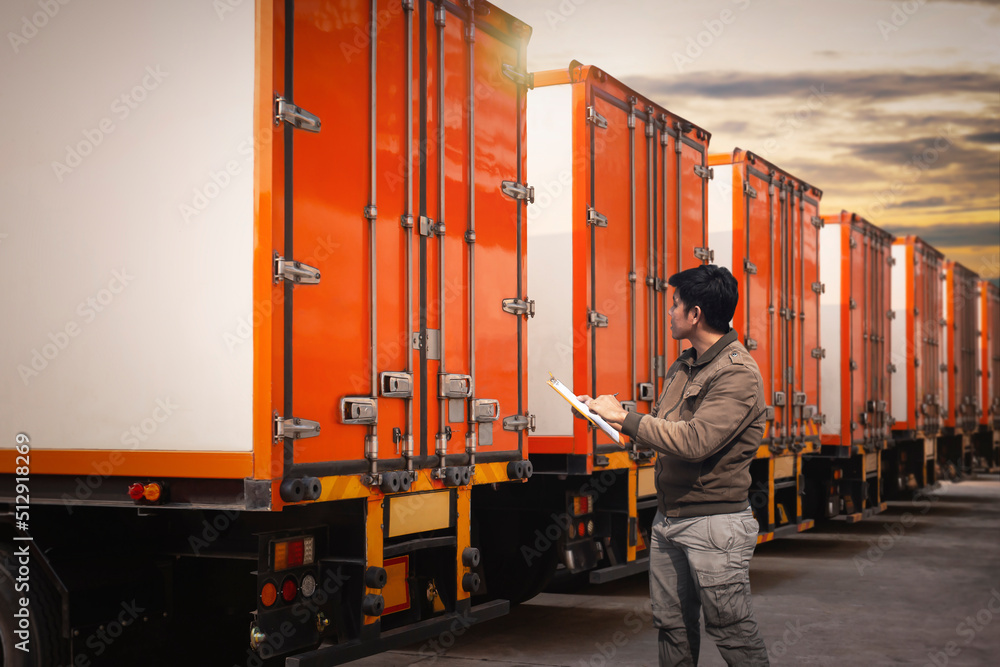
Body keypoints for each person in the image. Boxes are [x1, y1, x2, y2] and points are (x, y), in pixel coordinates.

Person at [581, 264, 770, 666]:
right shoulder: (685, 365)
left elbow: (695, 441)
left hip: (714, 526)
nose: (669, 312)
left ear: (695, 314)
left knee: (732, 631)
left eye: (675, 304)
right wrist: (606, 417)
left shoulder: (738, 373)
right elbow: (664, 429)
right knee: (673, 627)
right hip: (669, 519)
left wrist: (624, 417)